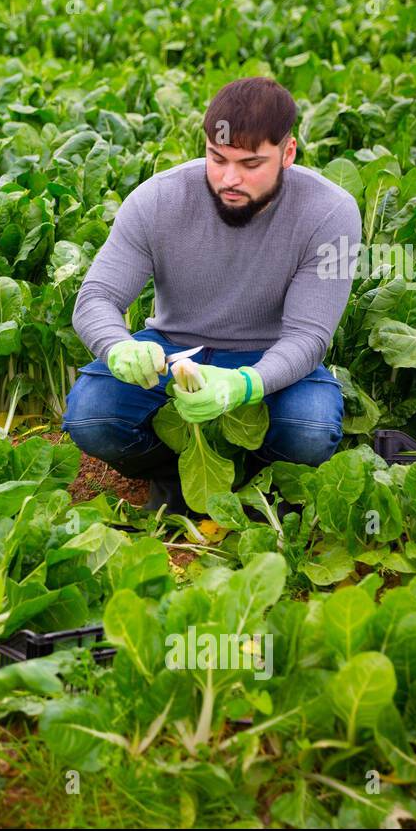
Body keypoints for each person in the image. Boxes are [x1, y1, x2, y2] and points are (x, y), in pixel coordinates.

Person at [63, 77, 361, 515]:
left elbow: (308, 337)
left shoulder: (329, 212)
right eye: (217, 158)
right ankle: (177, 476)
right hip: (173, 355)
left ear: (288, 153)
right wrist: (118, 347)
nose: (229, 178)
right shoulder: (159, 199)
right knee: (90, 414)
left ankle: (259, 480)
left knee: (309, 430)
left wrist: (245, 383)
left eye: (251, 163)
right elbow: (96, 297)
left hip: (271, 362)